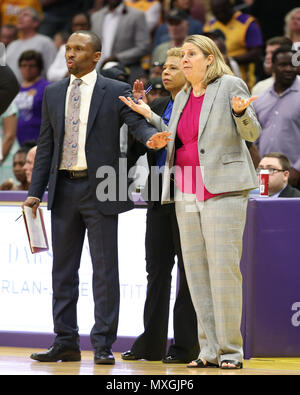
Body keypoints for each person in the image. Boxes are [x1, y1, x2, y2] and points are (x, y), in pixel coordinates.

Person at [23, 30, 170, 365]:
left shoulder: (115, 90)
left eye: (79, 48)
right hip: (63, 188)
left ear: (96, 55)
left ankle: (102, 344)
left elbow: (137, 124)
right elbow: (46, 145)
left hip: (103, 184)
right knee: (62, 271)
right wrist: (35, 192)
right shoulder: (54, 92)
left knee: (105, 271)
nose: (70, 53)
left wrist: (152, 138)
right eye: (68, 48)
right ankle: (65, 342)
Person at [120, 34, 261, 369]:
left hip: (221, 189)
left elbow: (253, 133)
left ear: (209, 58)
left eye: (191, 54)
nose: (184, 60)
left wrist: (242, 114)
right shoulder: (183, 93)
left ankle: (230, 351)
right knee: (196, 274)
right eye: (182, 54)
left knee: (223, 273)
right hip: (184, 190)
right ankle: (208, 350)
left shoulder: (230, 85)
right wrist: (149, 117)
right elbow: (175, 133)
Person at [122, 47, 199, 363]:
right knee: (156, 271)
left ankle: (185, 345)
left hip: (189, 193)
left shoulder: (198, 105)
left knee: (189, 272)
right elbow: (139, 150)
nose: (165, 72)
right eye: (162, 67)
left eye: (173, 67)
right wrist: (136, 115)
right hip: (158, 195)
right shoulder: (161, 105)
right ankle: (151, 343)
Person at [253, 46, 300, 190]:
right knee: (266, 212)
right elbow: (253, 138)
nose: (288, 69)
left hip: (296, 174)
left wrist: (297, 169)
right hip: (265, 176)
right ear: (272, 66)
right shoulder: (260, 98)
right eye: (283, 65)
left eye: (293, 65)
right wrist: (258, 168)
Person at [204, 0, 263, 90]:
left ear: (230, 6)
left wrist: (229, 60)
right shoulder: (209, 26)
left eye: (223, 11)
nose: (220, 15)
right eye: (216, 13)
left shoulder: (247, 23)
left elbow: (256, 53)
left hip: (244, 80)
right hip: (216, 82)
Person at [91, 0, 151, 84]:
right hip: (100, 73)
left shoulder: (137, 15)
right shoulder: (96, 16)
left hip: (128, 74)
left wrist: (117, 58)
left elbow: (144, 46)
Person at [5, 7, 57, 83]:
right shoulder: (11, 45)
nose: (20, 17)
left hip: (36, 91)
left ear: (35, 23)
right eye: (19, 15)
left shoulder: (45, 42)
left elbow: (51, 72)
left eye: (25, 15)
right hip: (12, 93)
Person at [14, 50, 51, 145]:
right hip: (16, 141)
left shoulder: (47, 87)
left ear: (39, 68)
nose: (27, 69)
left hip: (38, 140)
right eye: (24, 65)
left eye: (31, 66)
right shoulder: (14, 89)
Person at [47, 12, 91, 82]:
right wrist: (67, 73)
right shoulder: (63, 48)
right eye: (76, 25)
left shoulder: (96, 47)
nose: (80, 28)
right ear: (72, 27)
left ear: (89, 26)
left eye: (83, 25)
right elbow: (50, 74)